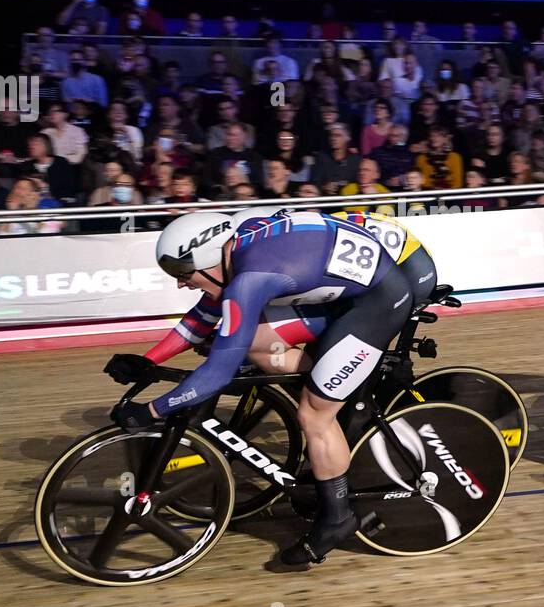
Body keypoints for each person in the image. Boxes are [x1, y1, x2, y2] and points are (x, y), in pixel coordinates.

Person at [103, 210, 414, 566]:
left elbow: (218, 372)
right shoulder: (236, 254)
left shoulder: (250, 279)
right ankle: (336, 384)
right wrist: (150, 360)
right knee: (250, 342)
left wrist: (152, 411)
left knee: (313, 415)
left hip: (377, 302)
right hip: (343, 291)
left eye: (182, 274)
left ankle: (338, 517)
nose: (179, 283)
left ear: (207, 259)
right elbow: (205, 314)